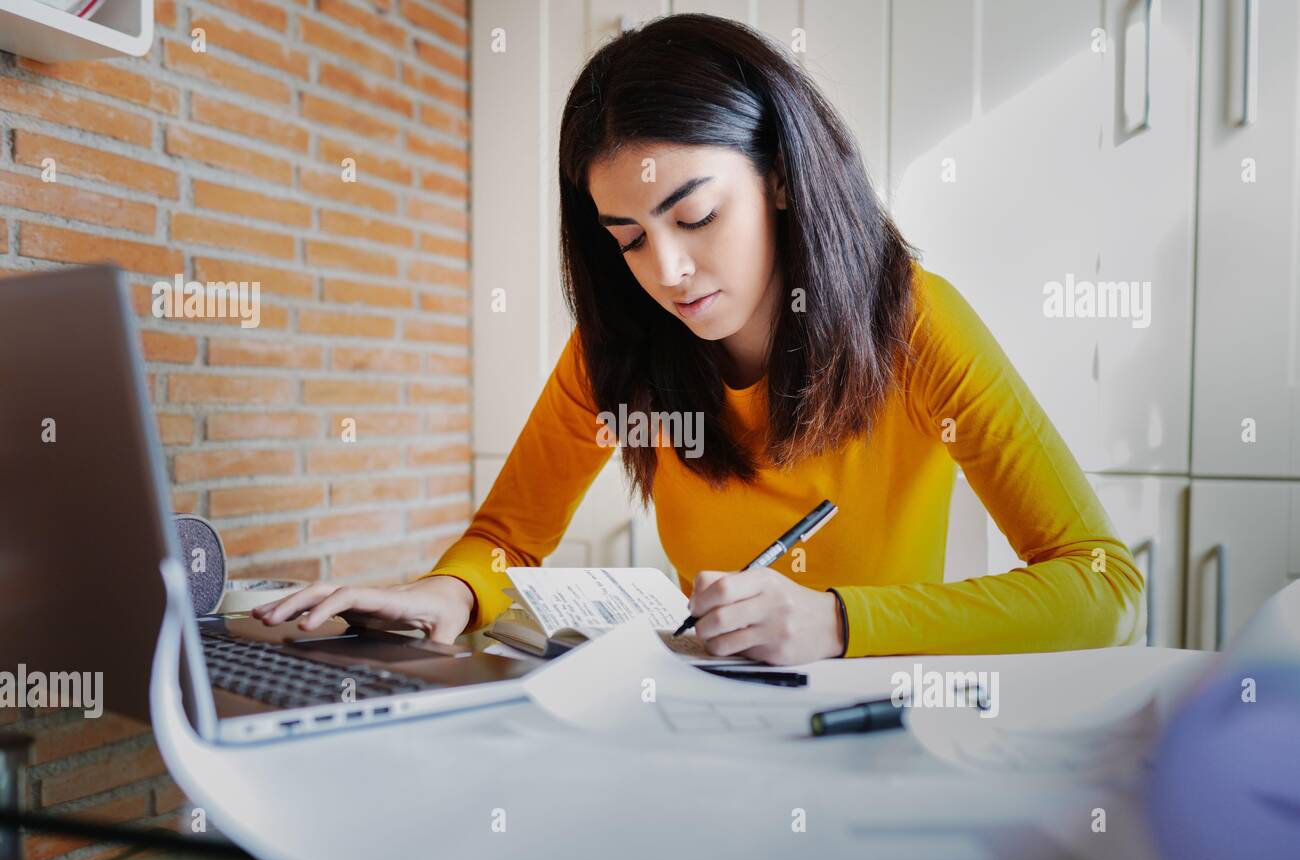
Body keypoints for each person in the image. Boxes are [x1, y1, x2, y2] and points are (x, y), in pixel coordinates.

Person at [254, 13, 1145, 665]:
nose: (668, 271)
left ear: (783, 179)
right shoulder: (622, 346)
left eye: (696, 214)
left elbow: (1104, 586)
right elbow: (508, 538)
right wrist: (443, 594)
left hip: (871, 720)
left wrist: (837, 622)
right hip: (705, 711)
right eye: (630, 238)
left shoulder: (911, 322)